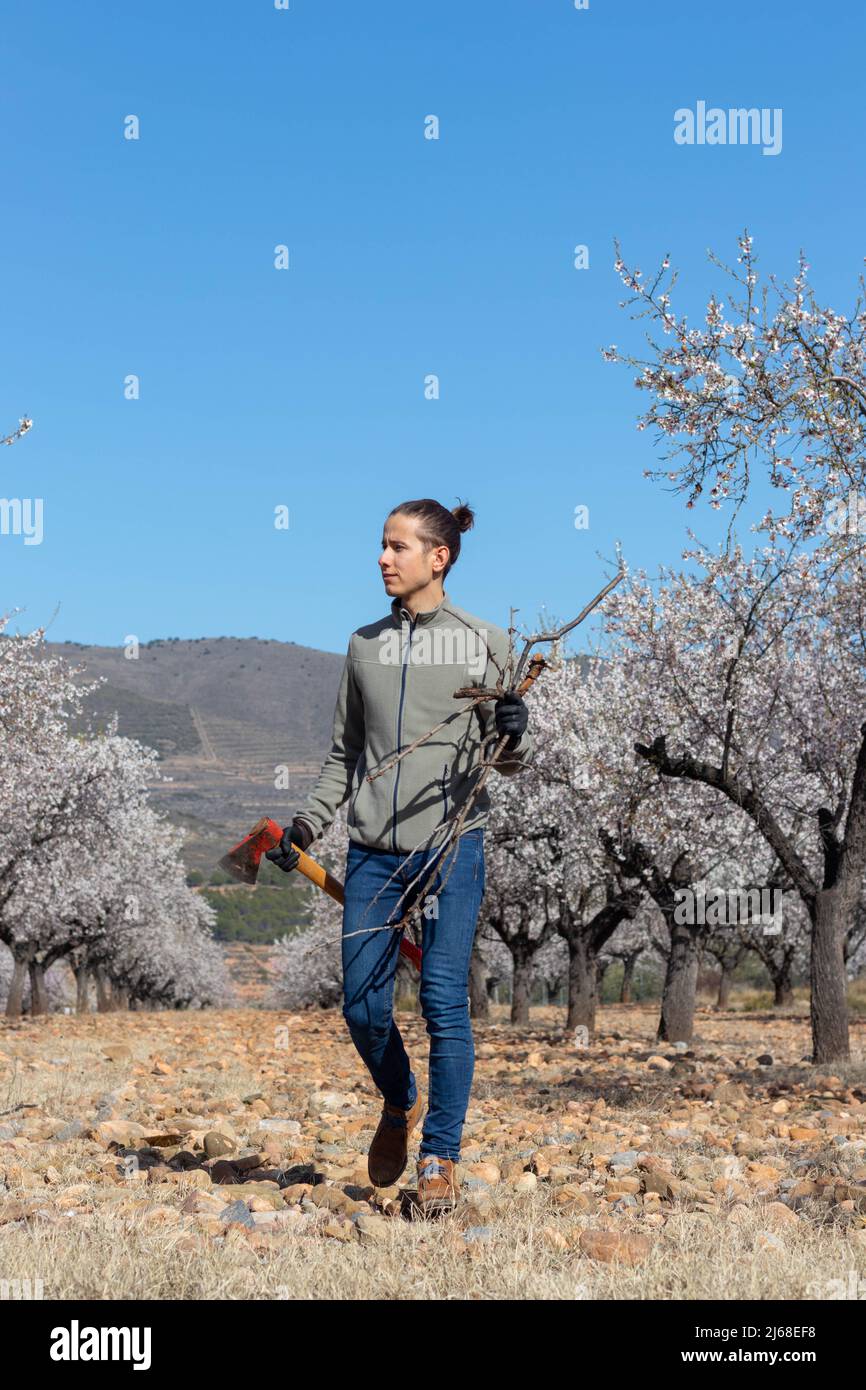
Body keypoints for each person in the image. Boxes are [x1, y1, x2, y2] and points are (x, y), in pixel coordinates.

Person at [266, 497, 533, 1214]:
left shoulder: (485, 642)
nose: (383, 559)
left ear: (438, 558)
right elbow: (343, 756)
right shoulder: (364, 646)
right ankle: (399, 1100)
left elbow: (504, 763)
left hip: (453, 845)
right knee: (361, 1007)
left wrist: (513, 729)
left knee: (445, 1001)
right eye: (381, 546)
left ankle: (440, 1157)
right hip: (374, 852)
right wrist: (307, 823)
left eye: (397, 547)